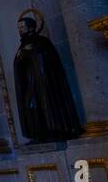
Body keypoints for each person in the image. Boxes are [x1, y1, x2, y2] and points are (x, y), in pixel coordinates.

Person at [13, 14, 81, 143]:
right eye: (18, 28)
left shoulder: (43, 41)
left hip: (45, 82)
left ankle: (54, 130)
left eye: (22, 27)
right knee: (31, 106)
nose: (20, 30)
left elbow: (49, 60)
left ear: (31, 28)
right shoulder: (21, 46)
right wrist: (21, 57)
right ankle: (38, 133)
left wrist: (32, 53)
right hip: (30, 82)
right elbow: (18, 64)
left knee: (47, 105)